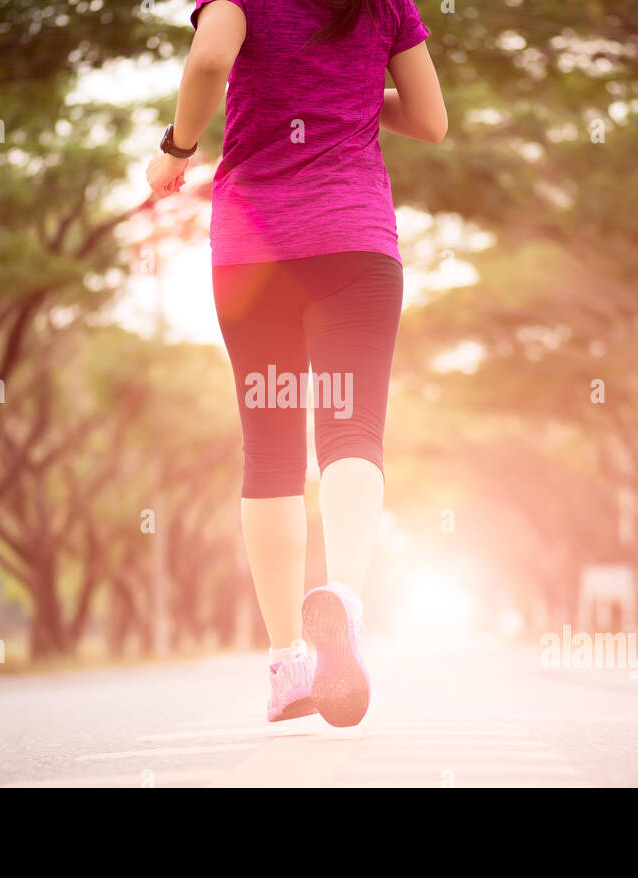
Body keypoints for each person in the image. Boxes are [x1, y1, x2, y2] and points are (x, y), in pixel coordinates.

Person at [146, 0, 446, 726]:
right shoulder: (386, 3)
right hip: (356, 244)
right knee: (351, 432)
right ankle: (341, 598)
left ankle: (288, 662)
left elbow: (211, 58)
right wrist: (340, 87)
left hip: (254, 253)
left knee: (273, 451)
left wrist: (176, 151)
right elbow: (432, 120)